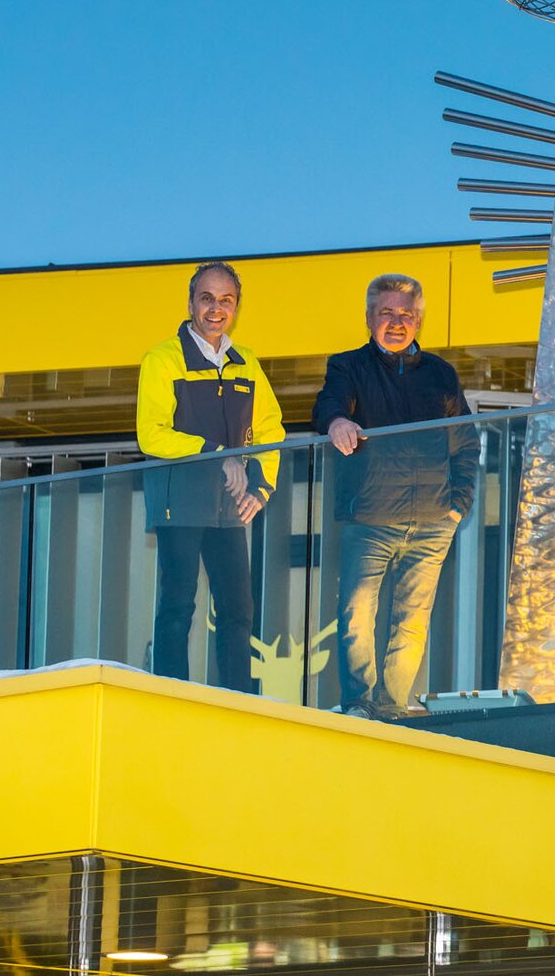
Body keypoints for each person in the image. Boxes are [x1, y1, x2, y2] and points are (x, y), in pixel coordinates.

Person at [313, 273, 479, 719]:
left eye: (406, 314)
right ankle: (359, 705)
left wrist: (457, 505)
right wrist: (337, 423)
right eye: (387, 313)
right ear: (369, 318)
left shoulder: (441, 374)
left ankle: (392, 705)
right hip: (369, 518)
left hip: (432, 521)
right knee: (355, 616)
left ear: (419, 321)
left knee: (412, 620)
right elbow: (328, 403)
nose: (397, 322)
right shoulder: (348, 367)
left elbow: (465, 442)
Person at [136, 261, 283, 693]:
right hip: (178, 503)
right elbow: (152, 434)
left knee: (238, 610)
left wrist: (263, 486)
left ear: (235, 307)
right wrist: (216, 454)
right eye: (207, 298)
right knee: (178, 607)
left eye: (226, 300)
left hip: (229, 509)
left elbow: (271, 429)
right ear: (191, 303)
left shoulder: (246, 363)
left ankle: (238, 701)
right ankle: (173, 698)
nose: (215, 309)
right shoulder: (162, 360)